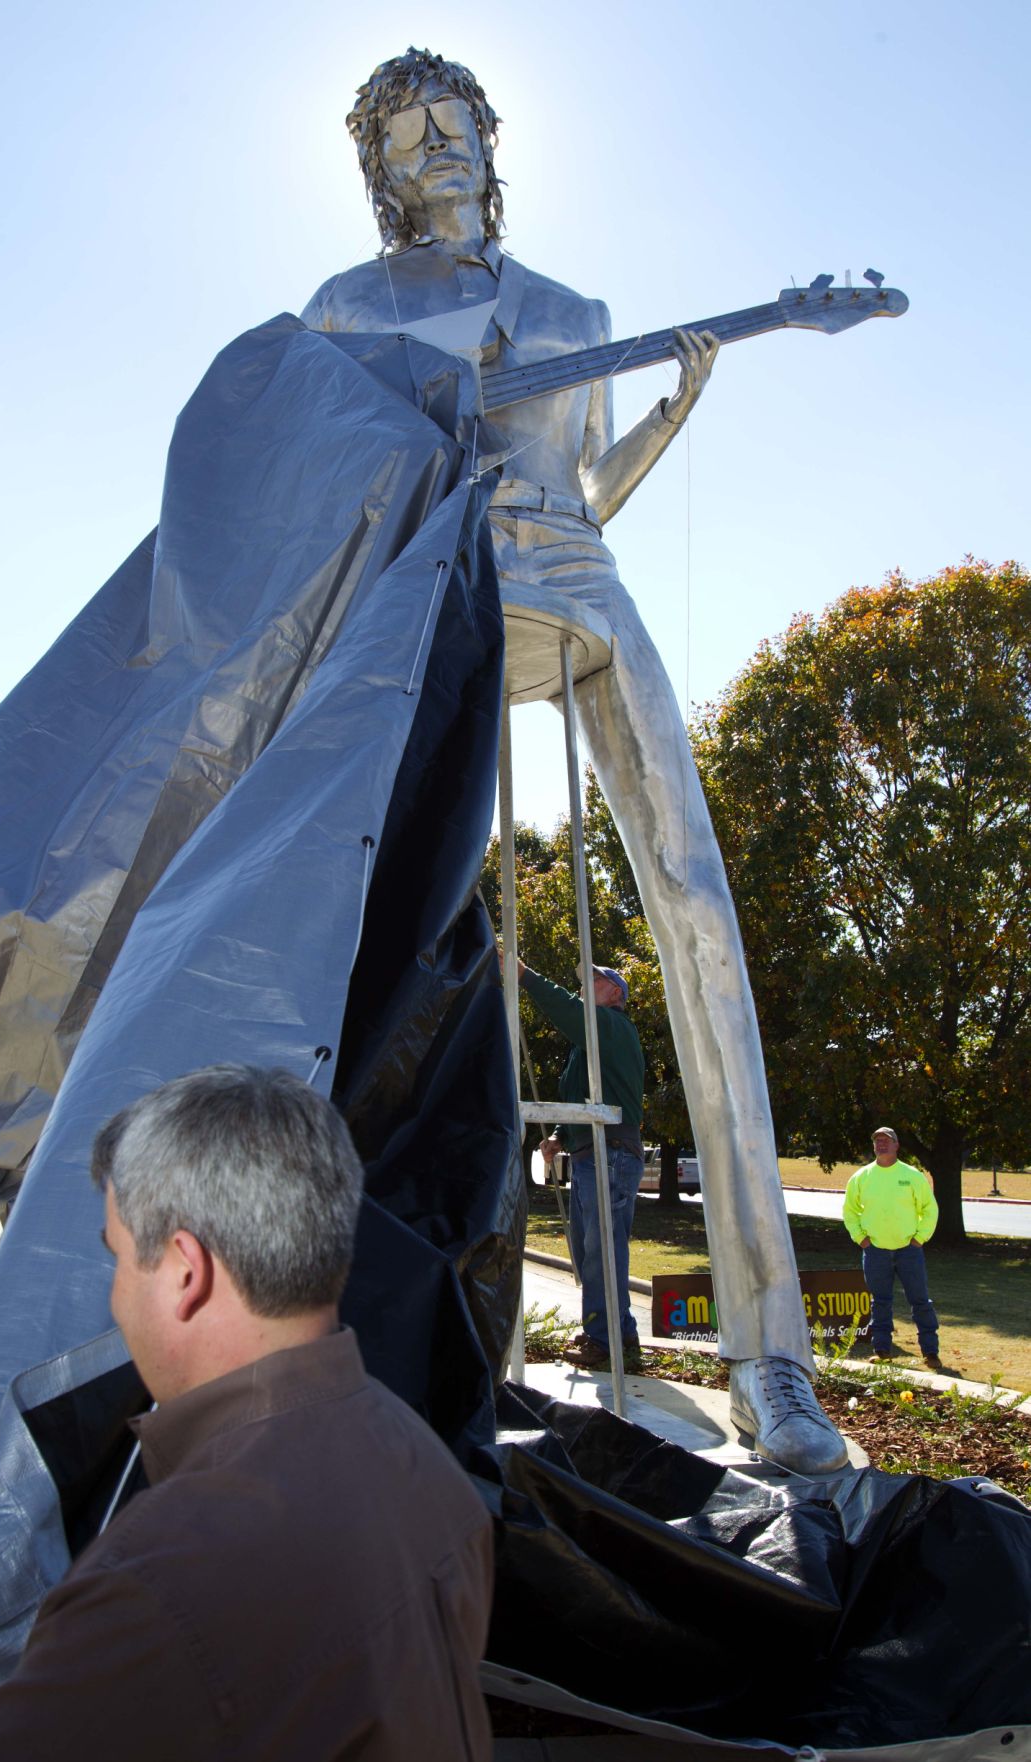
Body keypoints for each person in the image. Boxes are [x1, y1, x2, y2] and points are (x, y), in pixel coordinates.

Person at [306, 47, 847, 1475]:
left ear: (492, 136)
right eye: (406, 137)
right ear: (379, 171)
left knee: (694, 901)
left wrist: (674, 401)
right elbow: (326, 480)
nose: (435, 152)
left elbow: (585, 488)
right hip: (435, 591)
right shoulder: (349, 309)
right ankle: (351, 1325)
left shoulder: (576, 315)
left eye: (452, 125)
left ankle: (770, 1364)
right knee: (369, 914)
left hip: (580, 581)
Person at [0, 1064, 494, 1762]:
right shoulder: (426, 1468)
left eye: (118, 1259)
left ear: (185, 1271)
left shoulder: (152, 1588)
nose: (116, 1298)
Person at [513, 956, 644, 1369]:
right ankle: (619, 1337)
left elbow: (569, 1009)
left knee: (600, 1251)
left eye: (594, 980)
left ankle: (602, 1341)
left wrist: (527, 977)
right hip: (595, 1155)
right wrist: (558, 1137)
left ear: (615, 994)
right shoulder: (587, 1047)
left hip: (611, 1155)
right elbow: (582, 1103)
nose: (585, 986)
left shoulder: (611, 1027)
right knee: (597, 1250)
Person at [843, 1126, 942, 1372]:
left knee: (920, 1300)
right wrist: (861, 1239)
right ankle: (882, 1350)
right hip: (875, 1251)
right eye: (877, 1140)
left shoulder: (912, 1175)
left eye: (887, 1140)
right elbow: (850, 1211)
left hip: (909, 1251)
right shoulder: (861, 1177)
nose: (881, 1144)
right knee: (880, 1302)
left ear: (897, 1145)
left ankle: (931, 1353)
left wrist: (920, 1238)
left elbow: (929, 1209)